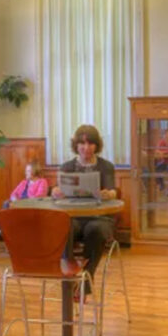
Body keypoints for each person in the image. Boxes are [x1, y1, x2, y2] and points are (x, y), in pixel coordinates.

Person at [51, 125, 117, 297]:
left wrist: (107, 194)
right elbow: (55, 191)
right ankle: (69, 276)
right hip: (74, 217)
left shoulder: (106, 166)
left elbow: (113, 191)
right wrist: (55, 191)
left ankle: (86, 278)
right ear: (76, 145)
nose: (86, 147)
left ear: (97, 145)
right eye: (82, 143)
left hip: (99, 217)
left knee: (95, 229)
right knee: (64, 227)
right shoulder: (66, 166)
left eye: (90, 143)